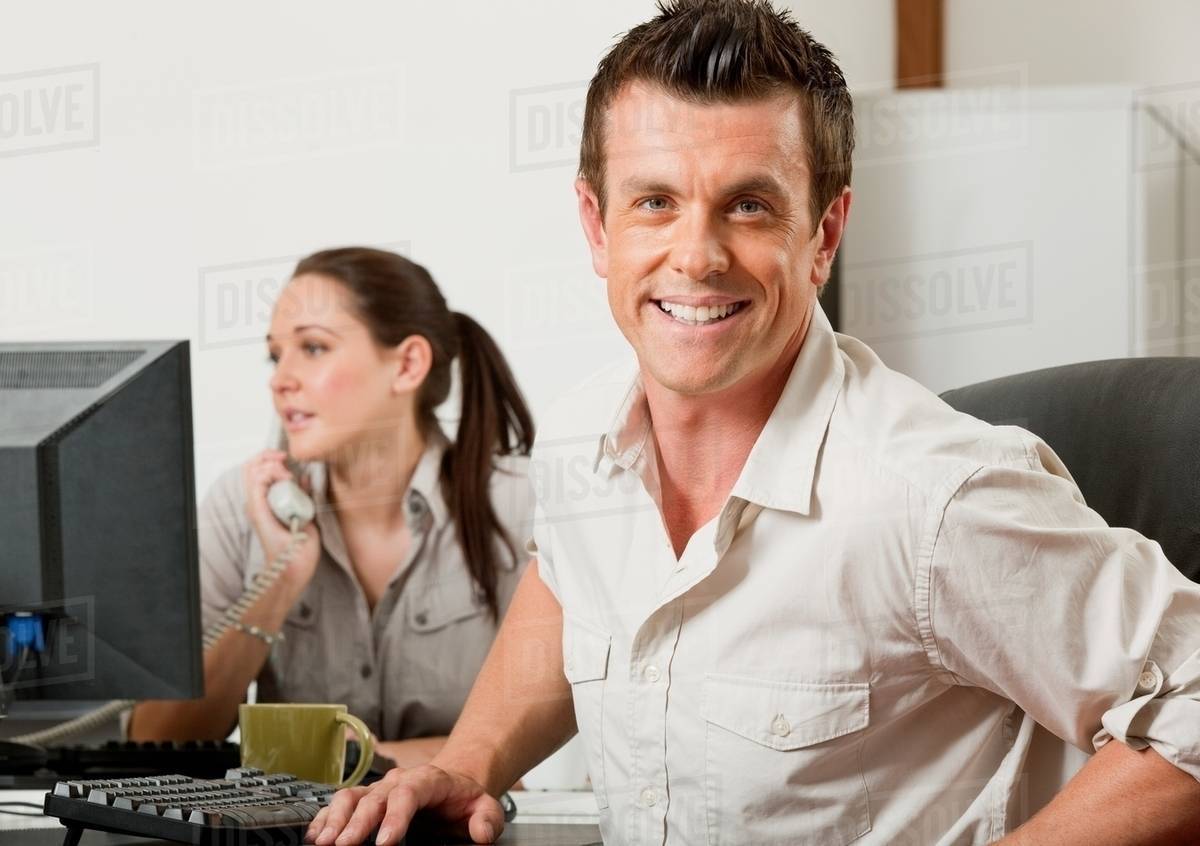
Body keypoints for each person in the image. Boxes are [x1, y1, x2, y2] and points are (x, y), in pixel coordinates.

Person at [308, 2, 1200, 844]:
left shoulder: (929, 499)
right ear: (596, 225)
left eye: (749, 204)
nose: (695, 256)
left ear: (824, 233)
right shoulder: (582, 438)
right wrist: (471, 760)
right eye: (654, 201)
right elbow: (572, 581)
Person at [129, 247, 536, 769]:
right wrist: (276, 585)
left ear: (407, 364)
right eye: (276, 356)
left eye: (314, 348)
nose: (281, 380)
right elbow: (154, 745)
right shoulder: (242, 505)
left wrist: (346, 762)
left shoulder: (521, 505)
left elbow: (537, 747)